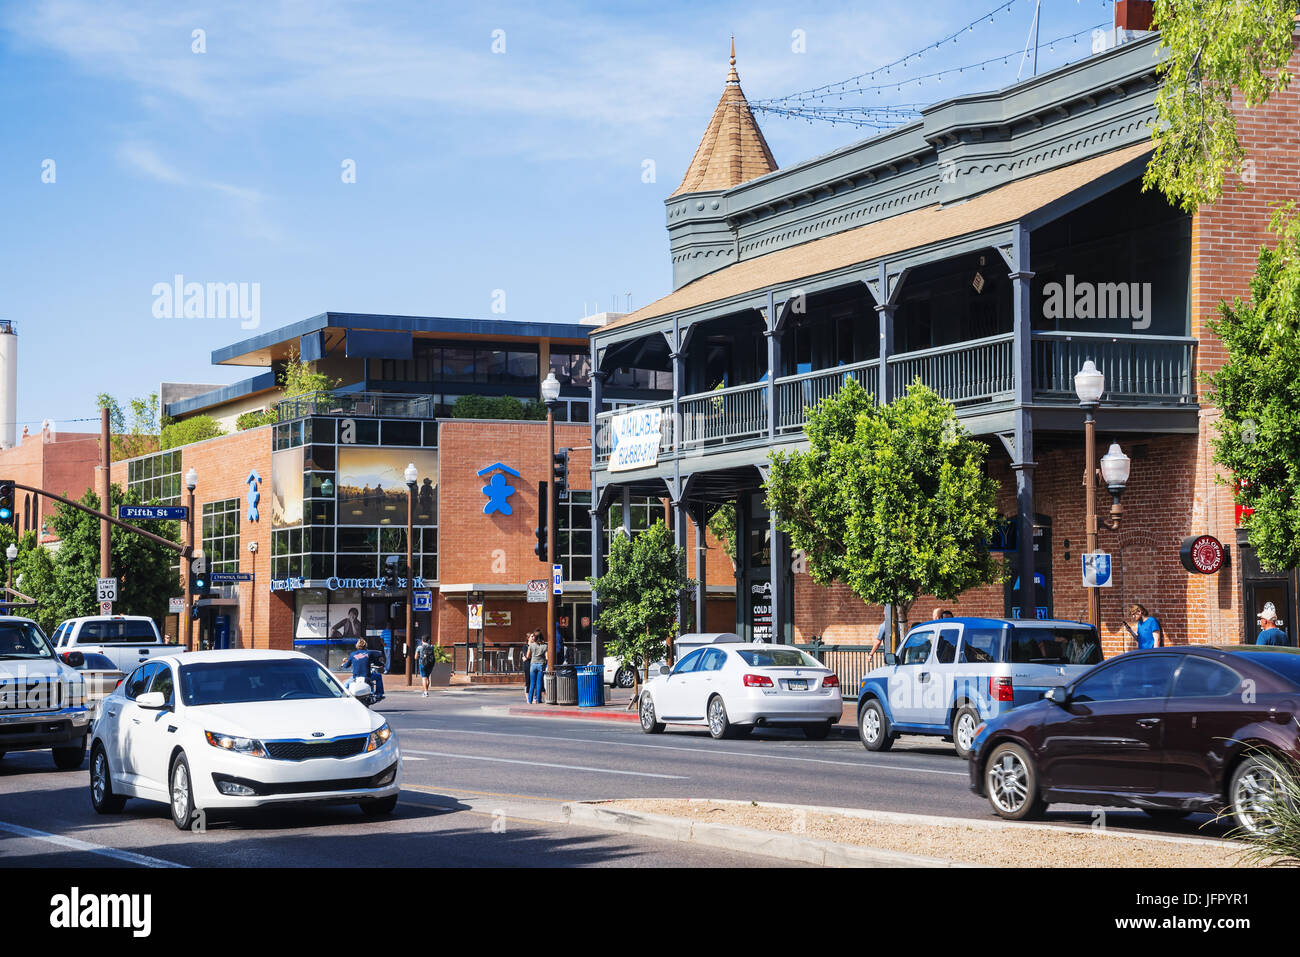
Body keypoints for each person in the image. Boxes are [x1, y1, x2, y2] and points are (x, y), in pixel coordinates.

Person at [526, 631, 548, 704]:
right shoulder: (545, 646)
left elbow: (528, 656)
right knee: (539, 683)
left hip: (533, 664)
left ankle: (529, 700)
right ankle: (538, 700)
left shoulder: (531, 645)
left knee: (532, 683)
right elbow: (547, 657)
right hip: (541, 665)